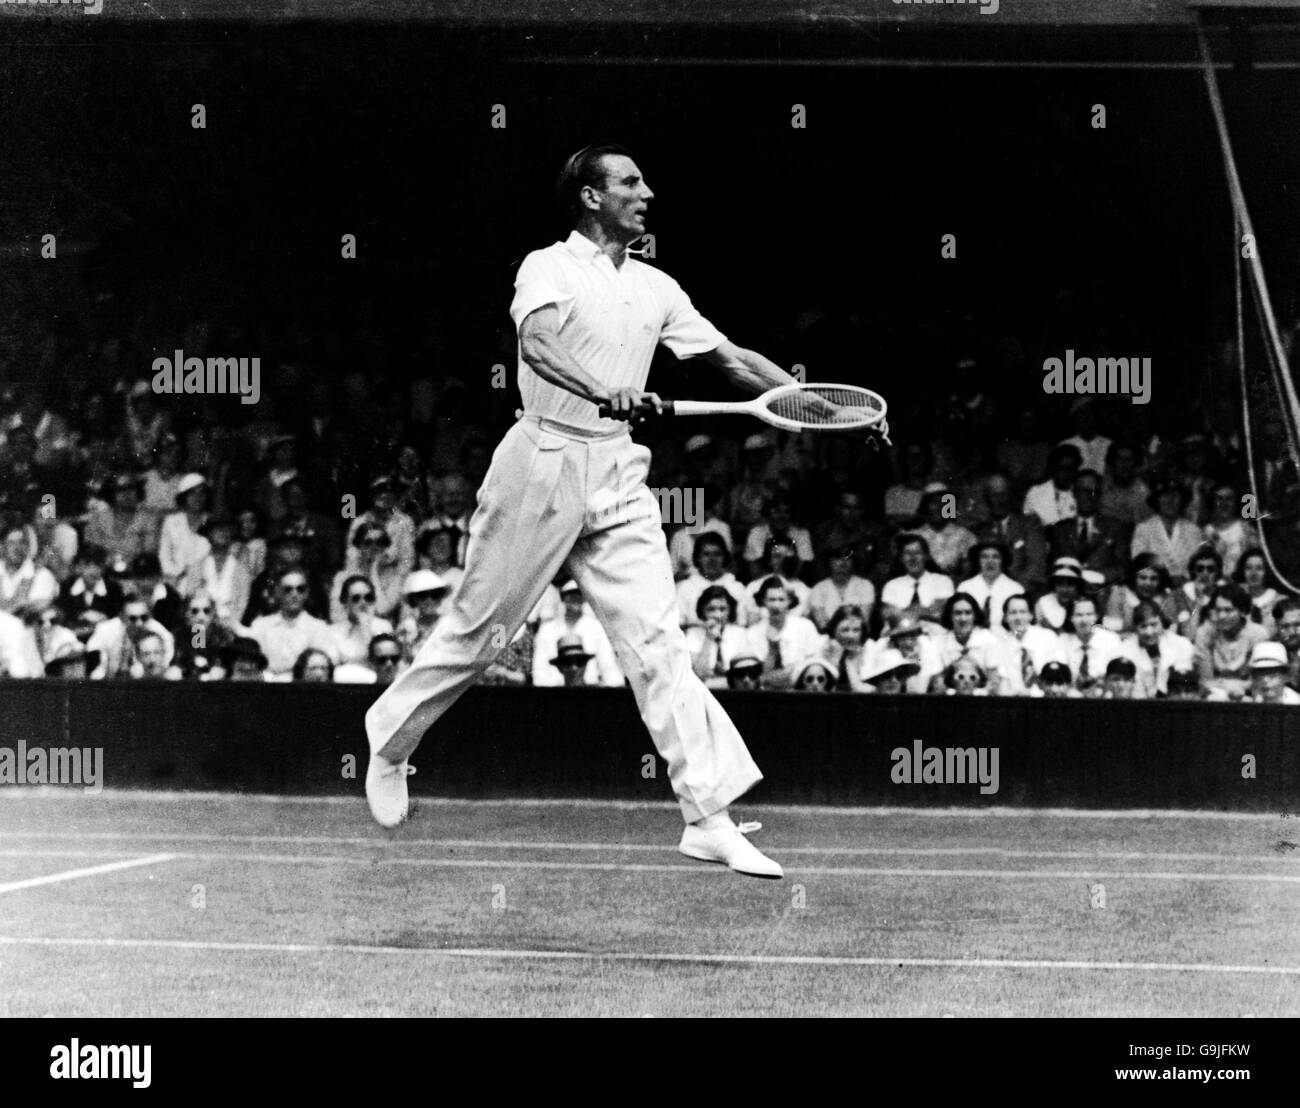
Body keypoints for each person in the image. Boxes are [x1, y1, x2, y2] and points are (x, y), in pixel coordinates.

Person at [364, 145, 813, 880]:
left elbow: (732, 361)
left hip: (616, 467)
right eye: (631, 182)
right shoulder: (546, 267)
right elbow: (537, 345)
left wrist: (820, 406)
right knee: (484, 633)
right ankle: (390, 742)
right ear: (591, 197)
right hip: (541, 458)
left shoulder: (659, 287)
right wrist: (604, 386)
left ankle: (708, 817)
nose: (649, 192)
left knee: (658, 645)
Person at [247, 568, 340, 681]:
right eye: (288, 589)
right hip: (267, 685)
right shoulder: (260, 626)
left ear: (307, 593)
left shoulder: (319, 627)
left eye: (300, 589)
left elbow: (327, 662)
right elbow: (253, 662)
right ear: (277, 592)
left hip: (303, 687)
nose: (294, 594)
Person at [1046, 469, 1127, 585]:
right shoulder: (1060, 529)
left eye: (1092, 491)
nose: (1087, 496)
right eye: (1082, 491)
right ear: (1074, 493)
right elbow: (1052, 566)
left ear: (1099, 495)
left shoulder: (1115, 527)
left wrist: (1097, 577)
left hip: (1101, 590)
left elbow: (1122, 568)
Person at [743, 577, 822, 691]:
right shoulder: (753, 633)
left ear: (789, 601)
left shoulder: (805, 627)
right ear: (763, 601)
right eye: (771, 599)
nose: (776, 605)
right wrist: (772, 649)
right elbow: (758, 676)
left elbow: (813, 664)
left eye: (781, 599)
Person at [1194, 583, 1269, 701]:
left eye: (1228, 610)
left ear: (1242, 611)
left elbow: (1257, 682)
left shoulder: (1259, 634)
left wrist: (1224, 684)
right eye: (1218, 610)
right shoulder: (1204, 633)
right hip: (1213, 699)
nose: (1222, 616)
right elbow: (1205, 682)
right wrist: (1233, 686)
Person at [975, 473, 1048, 593]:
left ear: (1011, 496)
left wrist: (1012, 592)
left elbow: (1036, 566)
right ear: (987, 499)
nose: (999, 501)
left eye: (1003, 495)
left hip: (1022, 593)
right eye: (994, 495)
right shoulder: (980, 530)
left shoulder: (1029, 524)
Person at [1131, 483, 1205, 586]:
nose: (1170, 501)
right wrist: (1168, 580)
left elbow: (1198, 564)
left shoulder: (1193, 530)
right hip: (1154, 588)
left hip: (1187, 588)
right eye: (1165, 496)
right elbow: (1139, 564)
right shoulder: (1144, 529)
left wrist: (1184, 580)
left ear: (1182, 501)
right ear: (1157, 501)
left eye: (1174, 496)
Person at [1121, 599, 1194, 699]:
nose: (1149, 632)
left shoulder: (1182, 644)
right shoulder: (1126, 648)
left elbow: (1182, 682)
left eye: (1154, 625)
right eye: (1143, 626)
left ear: (1162, 623)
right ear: (1135, 628)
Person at [993, 593, 1063, 696]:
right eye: (1013, 613)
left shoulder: (1048, 638)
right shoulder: (1000, 644)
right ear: (1005, 618)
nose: (1018, 617)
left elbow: (1059, 676)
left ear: (1031, 615)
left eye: (1022, 612)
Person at [675, 532, 748, 629]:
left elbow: (742, 622)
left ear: (724, 557)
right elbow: (679, 624)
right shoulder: (684, 588)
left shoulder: (737, 588)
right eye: (706, 554)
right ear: (698, 558)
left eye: (717, 554)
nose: (712, 559)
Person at [880, 533, 954, 626]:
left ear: (926, 556)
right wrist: (925, 611)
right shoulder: (891, 586)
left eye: (917, 553)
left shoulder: (943, 581)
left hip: (935, 634)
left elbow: (940, 613)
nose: (912, 558)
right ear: (901, 558)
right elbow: (889, 617)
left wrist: (902, 612)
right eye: (907, 553)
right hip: (902, 635)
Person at [83, 473, 157, 566]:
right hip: (103, 569)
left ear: (138, 491)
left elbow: (149, 551)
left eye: (131, 488)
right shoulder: (98, 518)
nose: (127, 494)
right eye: (120, 490)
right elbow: (91, 547)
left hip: (136, 570)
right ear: (111, 494)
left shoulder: (148, 519)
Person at [1058, 594, 1123, 697]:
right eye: (1078, 615)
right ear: (1071, 618)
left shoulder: (1112, 640)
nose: (1084, 620)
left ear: (1096, 616)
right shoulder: (1062, 641)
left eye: (1089, 614)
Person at [686, 585, 749, 690]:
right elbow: (699, 674)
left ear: (730, 611)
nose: (717, 615)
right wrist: (708, 638)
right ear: (702, 611)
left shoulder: (740, 634)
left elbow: (743, 674)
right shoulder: (693, 634)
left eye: (722, 609)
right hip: (703, 690)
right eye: (711, 609)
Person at [197, 514, 253, 627]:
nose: (222, 533)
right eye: (217, 530)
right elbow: (191, 603)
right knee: (197, 642)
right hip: (200, 627)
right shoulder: (196, 567)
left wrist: (227, 628)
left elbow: (241, 605)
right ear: (208, 534)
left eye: (227, 530)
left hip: (230, 628)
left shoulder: (242, 571)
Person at [1103, 553, 1180, 635]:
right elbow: (1111, 634)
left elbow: (1171, 633)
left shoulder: (1166, 596)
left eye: (1153, 578)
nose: (1148, 583)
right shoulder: (1120, 594)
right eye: (1143, 578)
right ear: (1134, 578)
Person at [912, 482, 977, 577]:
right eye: (934, 502)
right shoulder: (915, 536)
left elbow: (969, 574)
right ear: (925, 506)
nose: (939, 507)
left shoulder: (965, 536)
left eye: (944, 502)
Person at [806, 545, 875, 632]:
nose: (843, 561)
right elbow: (822, 624)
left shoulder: (865, 585)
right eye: (838, 557)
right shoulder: (819, 588)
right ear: (829, 561)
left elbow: (863, 621)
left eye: (847, 556)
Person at [330, 574, 395, 667]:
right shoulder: (334, 632)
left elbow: (382, 662)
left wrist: (366, 630)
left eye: (368, 597)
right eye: (356, 598)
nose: (363, 603)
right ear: (345, 602)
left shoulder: (384, 627)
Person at [0, 517, 58, 620]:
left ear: (28, 546)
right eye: (12, 543)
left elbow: (30, 613)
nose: (17, 548)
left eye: (22, 542)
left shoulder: (42, 575)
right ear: (2, 547)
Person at [957, 541, 1021, 629]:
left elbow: (1019, 625)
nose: (990, 561)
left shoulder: (1015, 589)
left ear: (1002, 561)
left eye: (995, 557)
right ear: (978, 561)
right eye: (984, 557)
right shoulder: (964, 588)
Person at [57, 543, 123, 624]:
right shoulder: (66, 587)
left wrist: (105, 619)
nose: (93, 571)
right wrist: (81, 617)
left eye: (97, 564)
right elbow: (63, 618)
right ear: (78, 566)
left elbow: (118, 620)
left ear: (103, 567)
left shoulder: (114, 589)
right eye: (87, 565)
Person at [1202, 483, 1258, 577]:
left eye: (1229, 499)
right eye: (1219, 498)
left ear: (1236, 502)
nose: (1224, 503)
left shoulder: (1246, 529)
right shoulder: (1206, 531)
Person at [395, 570, 450, 662]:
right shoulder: (405, 627)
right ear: (413, 599)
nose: (429, 600)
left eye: (435, 594)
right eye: (422, 595)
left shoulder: (448, 624)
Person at [1022, 444, 1081, 528]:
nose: (1067, 474)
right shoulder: (1035, 492)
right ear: (1053, 468)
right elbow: (1028, 525)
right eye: (1062, 468)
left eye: (1071, 469)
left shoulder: (1081, 494)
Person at [1231, 548, 1285, 637]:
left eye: (1259, 568)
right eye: (1248, 568)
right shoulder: (1234, 597)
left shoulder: (1280, 602)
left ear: (1267, 571)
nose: (1253, 573)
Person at [822, 604, 872, 692]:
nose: (851, 636)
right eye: (845, 630)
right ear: (834, 630)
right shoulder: (823, 646)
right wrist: (836, 659)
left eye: (856, 630)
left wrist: (850, 659)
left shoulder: (870, 648)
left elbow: (862, 689)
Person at [1034, 557, 1084, 633]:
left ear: (1077, 586)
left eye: (1070, 584)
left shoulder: (1084, 604)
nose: (1065, 589)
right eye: (1060, 583)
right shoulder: (1044, 603)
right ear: (1053, 585)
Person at [1272, 596, 1300, 690]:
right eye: (1285, 626)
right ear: (1277, 626)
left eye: (1297, 625)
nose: (1292, 632)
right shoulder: (1268, 650)